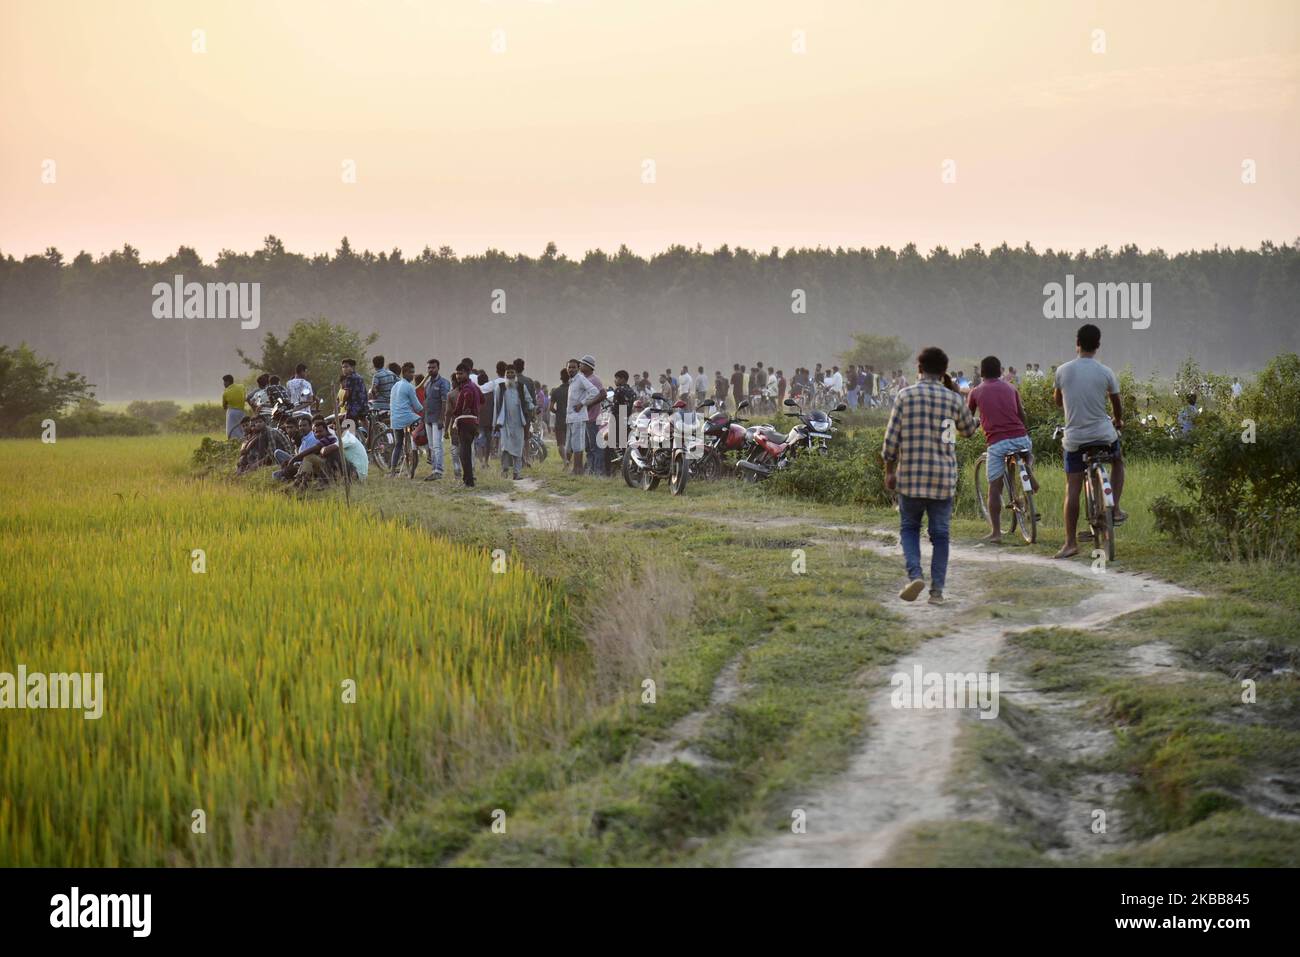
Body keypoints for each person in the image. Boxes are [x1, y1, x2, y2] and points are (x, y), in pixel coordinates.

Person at [882, 346, 978, 605]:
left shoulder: (905, 396)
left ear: (919, 369)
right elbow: (969, 431)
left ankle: (915, 575)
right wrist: (957, 394)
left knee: (910, 528)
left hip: (911, 477)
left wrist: (890, 472)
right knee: (941, 535)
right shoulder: (953, 399)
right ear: (945, 371)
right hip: (942, 478)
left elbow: (891, 440)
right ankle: (937, 592)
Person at [1053, 323, 1126, 560]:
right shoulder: (1106, 372)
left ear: (1077, 343)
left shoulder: (1062, 371)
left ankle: (1070, 543)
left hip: (1075, 439)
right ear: (1098, 345)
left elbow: (1056, 401)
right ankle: (1114, 508)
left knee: (1072, 487)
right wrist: (1117, 420)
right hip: (1104, 435)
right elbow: (1116, 403)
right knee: (1117, 460)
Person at [967, 356, 1038, 544]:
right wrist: (1024, 433)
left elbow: (967, 419)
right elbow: (1022, 415)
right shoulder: (1011, 388)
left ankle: (996, 532)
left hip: (997, 443)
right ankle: (1029, 472)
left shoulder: (975, 392)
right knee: (1027, 455)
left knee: (994, 489)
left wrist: (973, 426)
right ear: (1000, 371)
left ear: (981, 373)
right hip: (1020, 437)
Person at [493, 365, 536, 480]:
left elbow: (528, 400)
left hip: (518, 422)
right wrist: (496, 423)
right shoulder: (500, 387)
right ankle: (504, 471)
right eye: (508, 373)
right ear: (505, 374)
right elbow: (496, 406)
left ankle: (517, 473)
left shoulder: (522, 387)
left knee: (518, 447)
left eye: (512, 373)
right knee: (505, 448)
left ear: (515, 374)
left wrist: (533, 408)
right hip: (505, 422)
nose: (510, 375)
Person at [565, 356, 600, 476]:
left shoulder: (580, 378)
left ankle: (578, 470)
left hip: (579, 417)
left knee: (578, 444)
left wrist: (583, 403)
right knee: (572, 445)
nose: (571, 369)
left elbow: (594, 391)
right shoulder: (573, 381)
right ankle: (576, 469)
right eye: (569, 367)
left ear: (578, 368)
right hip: (571, 417)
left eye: (573, 367)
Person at [387, 362, 423, 476]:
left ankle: (392, 470)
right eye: (411, 372)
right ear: (405, 373)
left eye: (413, 372)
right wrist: (424, 409)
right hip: (407, 417)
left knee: (398, 444)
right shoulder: (409, 387)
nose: (412, 375)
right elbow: (417, 406)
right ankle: (420, 446)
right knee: (422, 422)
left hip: (395, 419)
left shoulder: (395, 386)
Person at [449, 368, 481, 486]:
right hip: (473, 421)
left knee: (464, 454)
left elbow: (467, 399)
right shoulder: (474, 387)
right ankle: (468, 480)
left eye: (461, 373)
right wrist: (476, 411)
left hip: (466, 421)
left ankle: (468, 481)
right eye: (457, 373)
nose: (458, 376)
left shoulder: (467, 388)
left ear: (467, 374)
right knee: (466, 453)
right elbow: (482, 399)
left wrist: (464, 410)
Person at [420, 358, 451, 481]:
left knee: (438, 446)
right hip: (428, 418)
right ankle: (434, 470)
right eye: (429, 368)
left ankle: (439, 470)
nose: (430, 370)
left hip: (437, 419)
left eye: (433, 367)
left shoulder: (444, 383)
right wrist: (423, 418)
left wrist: (441, 419)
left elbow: (445, 402)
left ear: (438, 368)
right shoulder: (427, 384)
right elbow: (426, 401)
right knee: (431, 446)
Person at [578, 356, 605, 475]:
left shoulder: (594, 380)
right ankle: (590, 470)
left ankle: (597, 471)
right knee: (588, 447)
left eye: (582, 364)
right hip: (585, 417)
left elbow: (603, 394)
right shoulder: (584, 378)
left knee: (595, 446)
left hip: (593, 417)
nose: (580, 366)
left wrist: (589, 404)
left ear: (589, 366)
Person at [607, 369, 637, 473]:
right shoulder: (632, 391)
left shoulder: (618, 390)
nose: (615, 381)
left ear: (623, 379)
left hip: (618, 417)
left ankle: (617, 467)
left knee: (614, 443)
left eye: (617, 378)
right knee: (625, 444)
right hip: (627, 418)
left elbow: (615, 407)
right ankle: (628, 468)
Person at [339, 359, 369, 428]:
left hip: (354, 408)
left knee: (346, 425)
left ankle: (353, 438)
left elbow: (347, 393)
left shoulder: (349, 378)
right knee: (364, 423)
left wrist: (342, 402)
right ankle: (371, 437)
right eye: (343, 367)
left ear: (352, 367)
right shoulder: (359, 377)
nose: (344, 369)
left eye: (346, 367)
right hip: (363, 406)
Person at [551, 368, 570, 462]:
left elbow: (551, 407)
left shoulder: (556, 391)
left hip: (559, 420)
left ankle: (565, 460)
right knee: (569, 442)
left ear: (561, 378)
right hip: (571, 419)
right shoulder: (572, 390)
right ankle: (569, 460)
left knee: (561, 443)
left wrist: (557, 412)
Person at [221, 374, 245, 439]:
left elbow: (224, 406)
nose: (224, 384)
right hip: (242, 412)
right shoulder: (241, 386)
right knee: (242, 429)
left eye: (224, 382)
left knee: (231, 430)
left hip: (231, 413)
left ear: (228, 382)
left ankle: (234, 443)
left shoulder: (226, 392)